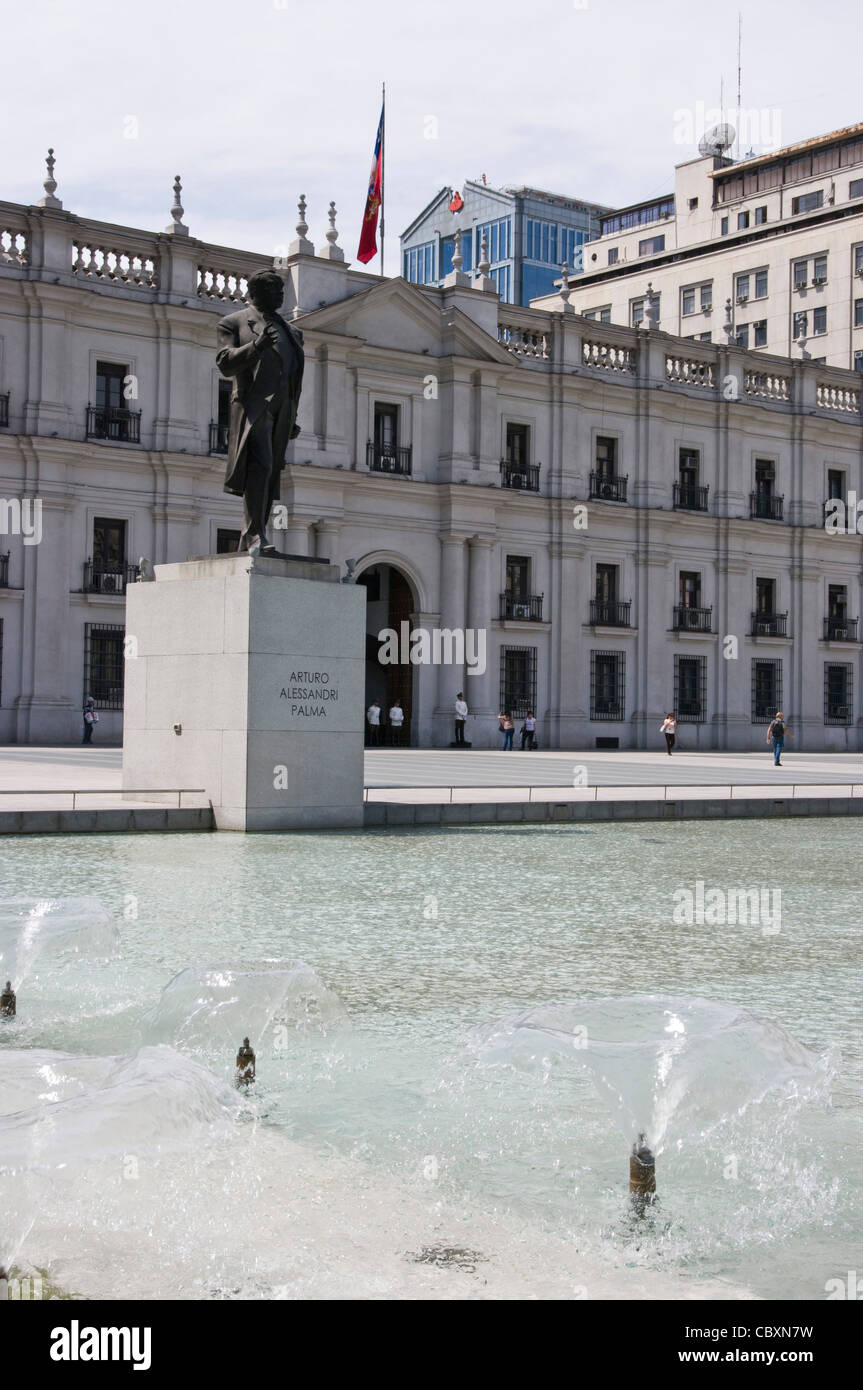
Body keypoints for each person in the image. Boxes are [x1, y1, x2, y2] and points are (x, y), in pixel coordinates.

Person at [216, 270, 304, 555]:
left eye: (281, 290)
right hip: (254, 406)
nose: (280, 295)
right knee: (261, 466)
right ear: (256, 293)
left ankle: (255, 534)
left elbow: (293, 374)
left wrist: (293, 416)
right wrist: (256, 346)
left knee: (270, 475)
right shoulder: (234, 323)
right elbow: (226, 363)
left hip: (282, 410)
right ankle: (254, 535)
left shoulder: (293, 332)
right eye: (273, 290)